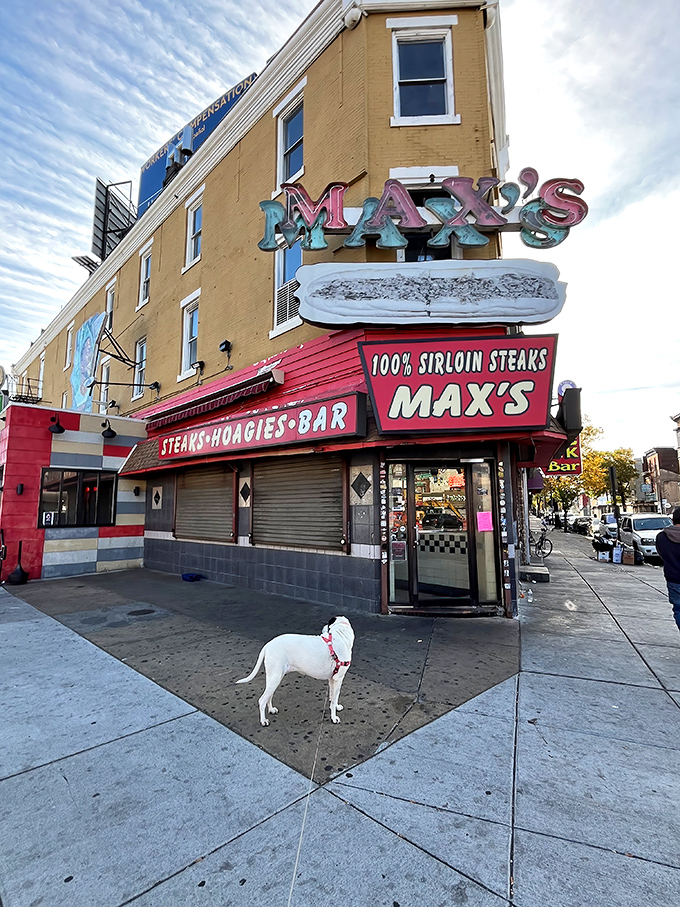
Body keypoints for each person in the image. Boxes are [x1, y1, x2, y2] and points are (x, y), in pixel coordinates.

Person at [655, 507, 680, 631]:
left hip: (673, 579)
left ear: (672, 520)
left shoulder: (662, 537)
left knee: (678, 609)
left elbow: (662, 555)